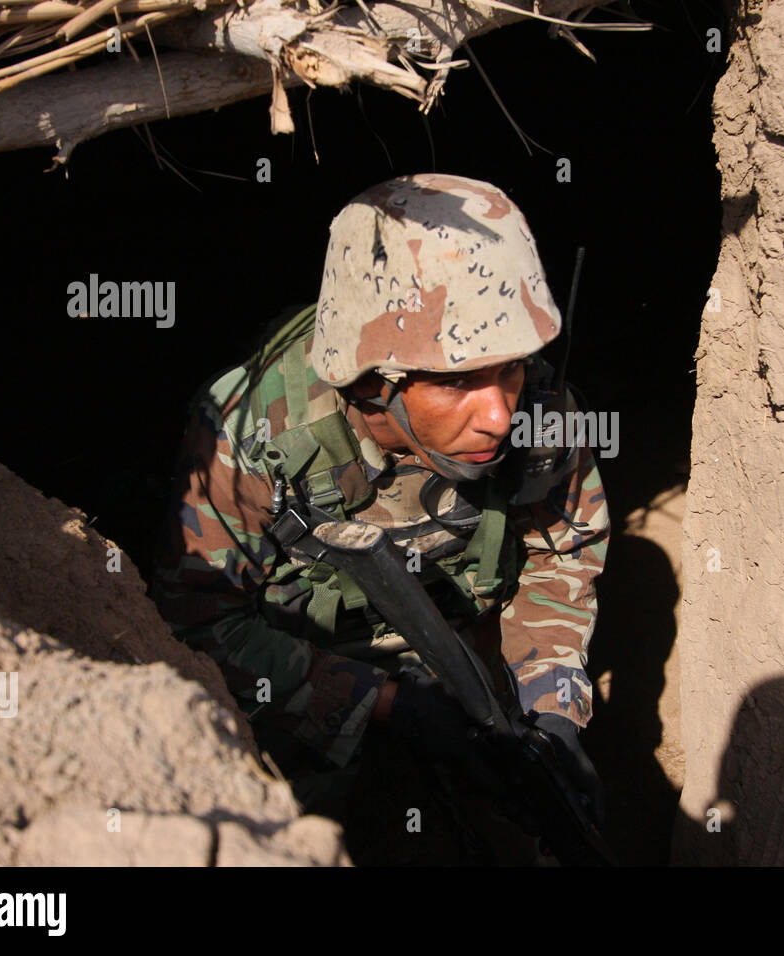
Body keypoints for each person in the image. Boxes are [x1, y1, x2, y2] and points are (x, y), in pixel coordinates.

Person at [150, 173, 609, 847]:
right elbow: (197, 624)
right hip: (306, 671)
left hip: (468, 659)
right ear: (372, 382)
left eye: (511, 368)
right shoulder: (253, 435)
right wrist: (383, 703)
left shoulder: (540, 415)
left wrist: (553, 708)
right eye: (457, 380)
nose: (499, 414)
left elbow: (562, 557)